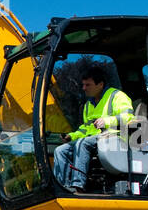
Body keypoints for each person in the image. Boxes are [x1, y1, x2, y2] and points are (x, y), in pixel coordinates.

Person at [52, 65, 135, 193]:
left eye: (88, 85)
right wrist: (71, 136)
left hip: (114, 138)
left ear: (100, 84)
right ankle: (61, 186)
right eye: (83, 85)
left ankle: (78, 184)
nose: (84, 88)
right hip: (94, 140)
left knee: (82, 143)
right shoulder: (88, 105)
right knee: (60, 150)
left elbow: (128, 116)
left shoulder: (117, 96)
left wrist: (107, 121)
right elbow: (86, 129)